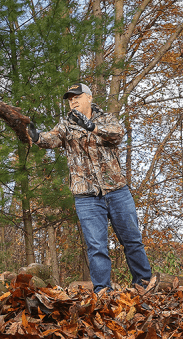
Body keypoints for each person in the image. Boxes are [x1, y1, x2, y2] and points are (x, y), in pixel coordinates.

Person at [27, 83, 152, 294]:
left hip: (117, 191)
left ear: (89, 98)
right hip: (86, 196)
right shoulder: (66, 125)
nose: (73, 101)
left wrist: (91, 126)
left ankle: (144, 286)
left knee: (132, 240)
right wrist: (37, 137)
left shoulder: (106, 119)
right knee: (97, 247)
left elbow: (117, 134)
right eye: (69, 99)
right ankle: (103, 291)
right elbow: (52, 138)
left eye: (77, 96)